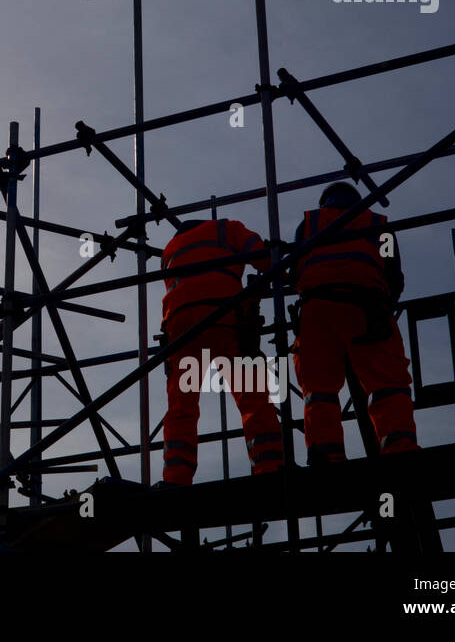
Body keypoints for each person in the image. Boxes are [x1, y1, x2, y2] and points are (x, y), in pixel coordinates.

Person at [290, 181, 418, 464]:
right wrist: (385, 305)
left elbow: (295, 270)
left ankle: (325, 454)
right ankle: (400, 447)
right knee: (387, 383)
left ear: (325, 201)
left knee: (319, 389)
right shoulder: (378, 224)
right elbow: (392, 273)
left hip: (318, 309)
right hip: (367, 304)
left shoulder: (309, 223)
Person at [159, 217, 283, 486]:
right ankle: (269, 465)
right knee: (252, 396)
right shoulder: (228, 228)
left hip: (181, 328)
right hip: (226, 316)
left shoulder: (169, 248)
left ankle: (176, 478)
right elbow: (264, 258)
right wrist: (280, 260)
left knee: (181, 406)